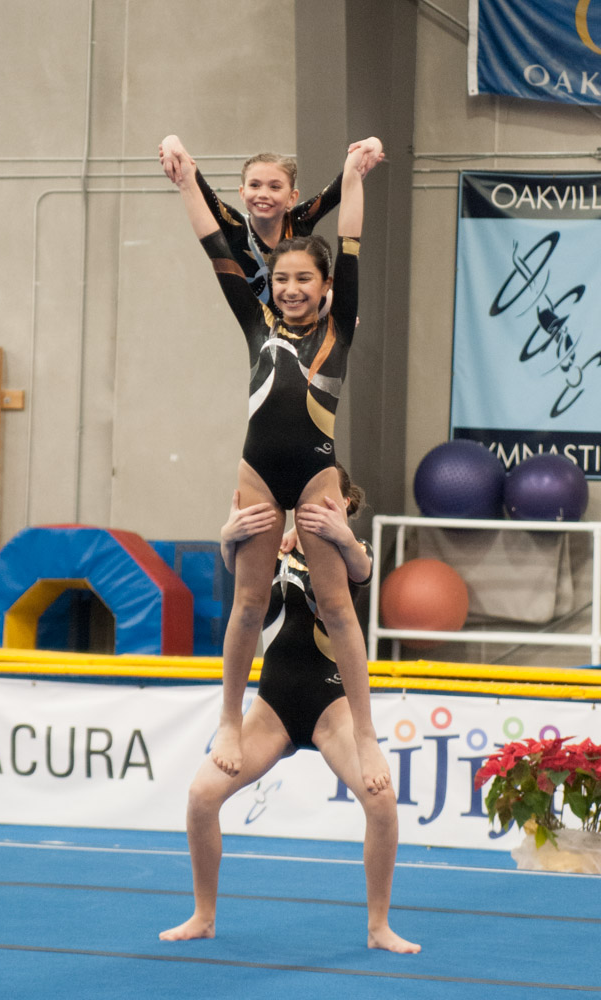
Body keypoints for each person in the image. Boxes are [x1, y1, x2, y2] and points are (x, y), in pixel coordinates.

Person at [167, 141, 387, 794]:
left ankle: (366, 731)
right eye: (282, 280)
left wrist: (351, 174)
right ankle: (230, 719)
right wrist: (185, 182)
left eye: (303, 282)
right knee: (248, 603)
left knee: (339, 609)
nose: (290, 290)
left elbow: (349, 238)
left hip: (318, 474)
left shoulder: (340, 330)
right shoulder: (255, 322)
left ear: (324, 290)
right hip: (258, 471)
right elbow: (216, 248)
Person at [159, 467, 421, 954]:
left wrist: (341, 533)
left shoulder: (348, 553)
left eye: (327, 501)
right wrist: (227, 537)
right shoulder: (273, 551)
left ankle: (379, 925)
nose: (313, 508)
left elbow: (361, 569)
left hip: (331, 707)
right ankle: (203, 915)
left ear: (343, 504)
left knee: (381, 803)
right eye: (308, 502)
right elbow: (242, 590)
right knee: (200, 796)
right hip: (273, 707)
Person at [159, 133, 384, 307]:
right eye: (254, 185)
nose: (263, 194)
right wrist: (171, 142)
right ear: (242, 192)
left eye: (275, 187)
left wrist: (373, 144)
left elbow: (342, 184)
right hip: (262, 320)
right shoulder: (234, 225)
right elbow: (194, 182)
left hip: (312, 310)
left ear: (291, 197)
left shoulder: (299, 219)